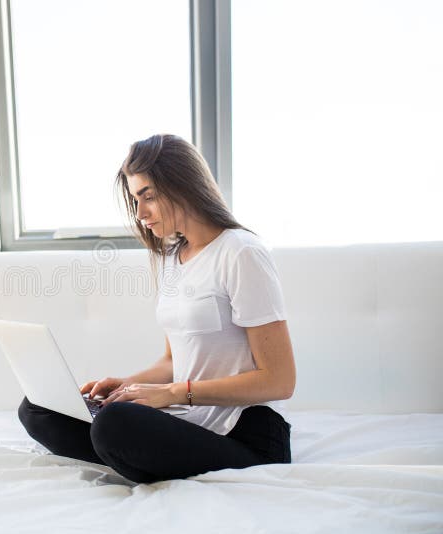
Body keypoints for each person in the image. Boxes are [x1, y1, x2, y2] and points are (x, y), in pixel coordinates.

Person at [17, 134, 296, 484]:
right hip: (191, 421)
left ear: (183, 185)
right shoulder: (171, 259)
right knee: (39, 408)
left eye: (148, 196)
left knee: (113, 425)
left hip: (247, 434)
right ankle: (131, 454)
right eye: (136, 199)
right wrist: (128, 385)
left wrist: (173, 393)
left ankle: (126, 452)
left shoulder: (241, 252)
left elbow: (280, 380)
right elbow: (172, 361)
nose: (140, 213)